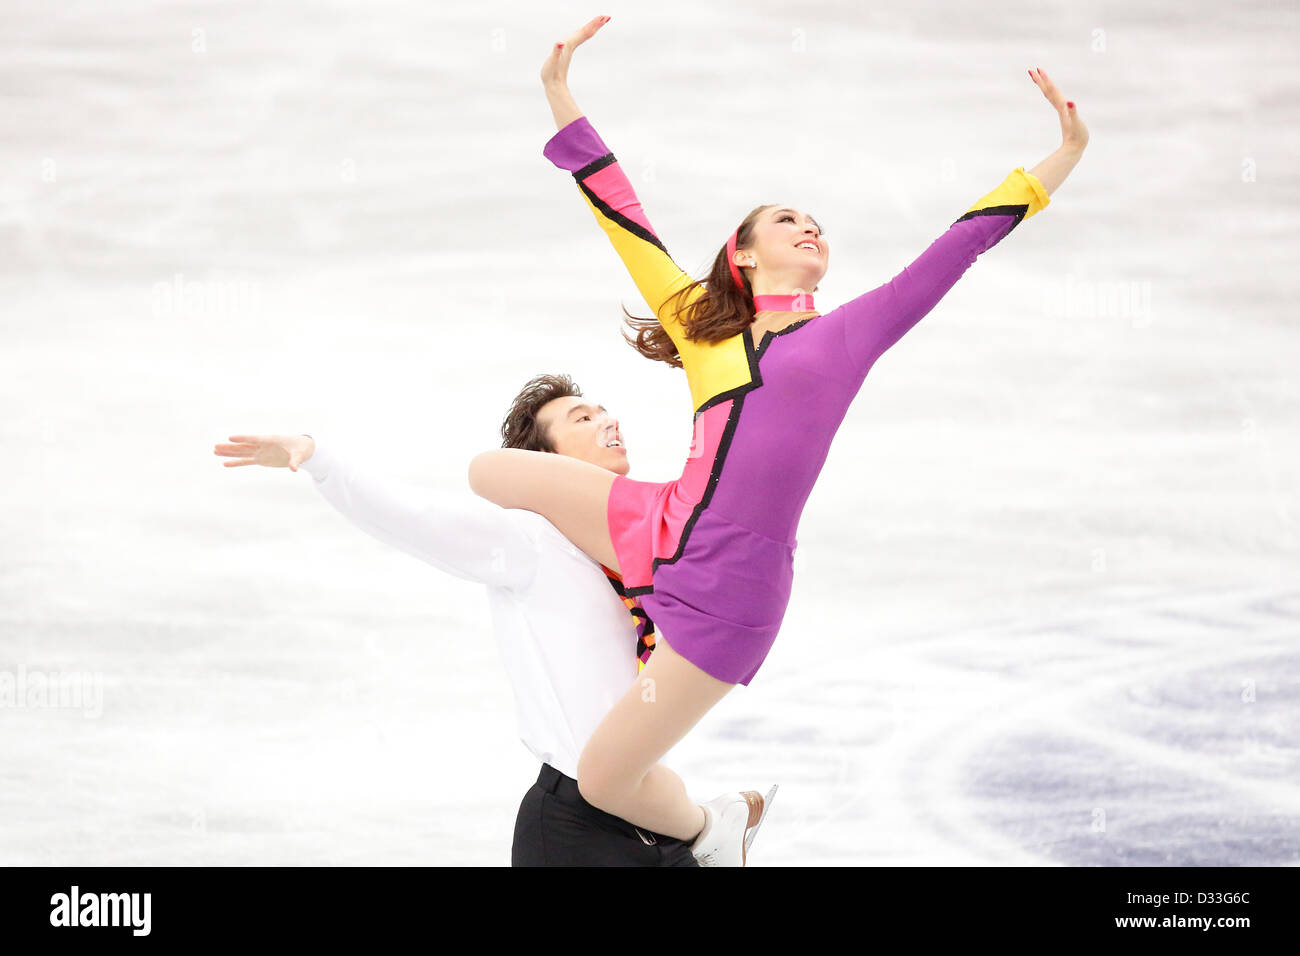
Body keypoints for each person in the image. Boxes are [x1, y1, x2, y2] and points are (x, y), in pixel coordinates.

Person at [467, 15, 1089, 857]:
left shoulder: (847, 338)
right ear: (744, 254)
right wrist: (559, 94)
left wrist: (1060, 157)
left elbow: (958, 244)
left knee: (605, 777)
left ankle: (717, 825)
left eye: (817, 226)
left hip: (732, 591)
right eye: (787, 220)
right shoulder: (699, 326)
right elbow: (625, 218)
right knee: (489, 472)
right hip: (662, 522)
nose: (810, 230)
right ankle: (622, 587)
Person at [212, 373, 772, 866]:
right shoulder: (529, 539)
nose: (608, 420)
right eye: (583, 417)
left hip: (651, 815)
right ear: (545, 462)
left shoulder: (630, 551)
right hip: (577, 829)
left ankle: (707, 825)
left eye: (604, 411)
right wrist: (318, 458)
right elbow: (412, 517)